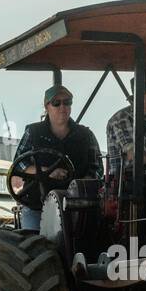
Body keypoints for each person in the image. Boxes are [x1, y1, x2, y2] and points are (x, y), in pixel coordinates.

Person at [12, 84, 103, 232]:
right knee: (35, 248)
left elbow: (97, 169)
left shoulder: (86, 135)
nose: (62, 107)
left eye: (67, 102)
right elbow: (19, 164)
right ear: (46, 106)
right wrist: (46, 171)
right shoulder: (33, 132)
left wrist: (80, 184)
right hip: (37, 206)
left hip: (78, 207)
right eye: (56, 103)